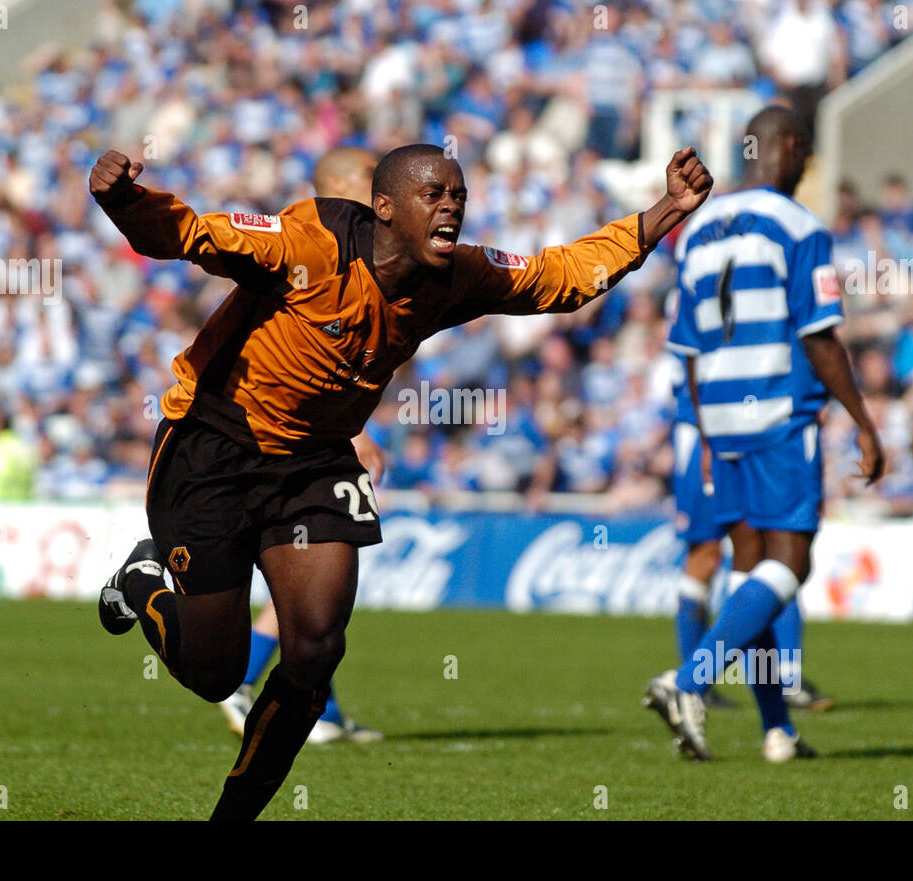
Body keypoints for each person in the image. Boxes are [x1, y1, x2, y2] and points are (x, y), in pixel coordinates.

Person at [90, 141, 714, 819]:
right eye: (434, 195)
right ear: (383, 208)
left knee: (316, 647)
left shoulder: (457, 276)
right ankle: (143, 581)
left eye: (458, 196)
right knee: (215, 673)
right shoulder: (308, 245)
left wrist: (667, 209)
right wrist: (125, 199)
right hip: (215, 447)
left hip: (314, 461)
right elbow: (187, 234)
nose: (451, 207)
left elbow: (557, 277)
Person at [646, 106, 882, 763]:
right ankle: (687, 681)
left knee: (751, 574)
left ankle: (777, 730)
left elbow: (687, 347)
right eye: (807, 153)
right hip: (778, 412)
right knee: (791, 562)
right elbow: (820, 336)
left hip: (718, 419)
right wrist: (864, 422)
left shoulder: (698, 230)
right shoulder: (798, 225)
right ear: (792, 148)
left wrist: (706, 433)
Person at [217, 146, 387, 745]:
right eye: (370, 178)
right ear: (339, 183)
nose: (382, 190)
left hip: (300, 439)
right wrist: (352, 434)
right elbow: (301, 359)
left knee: (317, 589)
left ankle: (322, 709)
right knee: (309, 583)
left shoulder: (361, 254)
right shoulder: (305, 246)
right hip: (266, 444)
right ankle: (244, 683)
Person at [663, 348, 835, 714]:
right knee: (718, 556)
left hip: (748, 424)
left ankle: (778, 689)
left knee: (769, 555)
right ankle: (693, 680)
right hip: (714, 427)